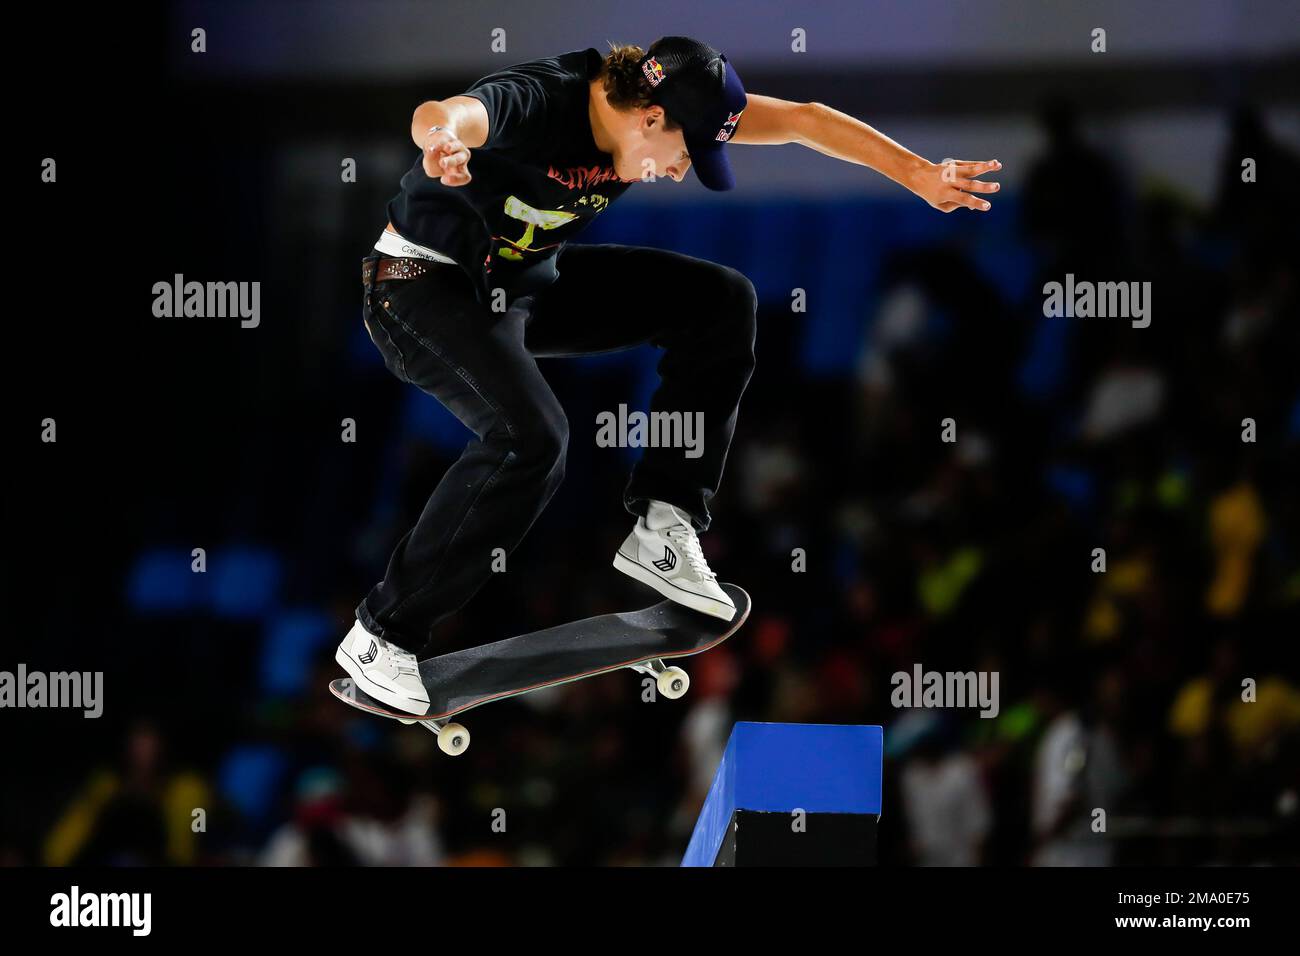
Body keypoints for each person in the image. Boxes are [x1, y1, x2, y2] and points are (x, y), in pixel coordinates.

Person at [338, 36, 1001, 714]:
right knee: (531, 438)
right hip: (421, 287)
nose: (681, 170)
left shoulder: (677, 105)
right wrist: (443, 142)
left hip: (521, 287)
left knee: (719, 301)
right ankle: (381, 636)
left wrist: (917, 173)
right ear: (650, 117)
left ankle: (664, 524)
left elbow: (805, 119)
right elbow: (445, 111)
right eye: (685, 153)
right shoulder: (542, 99)